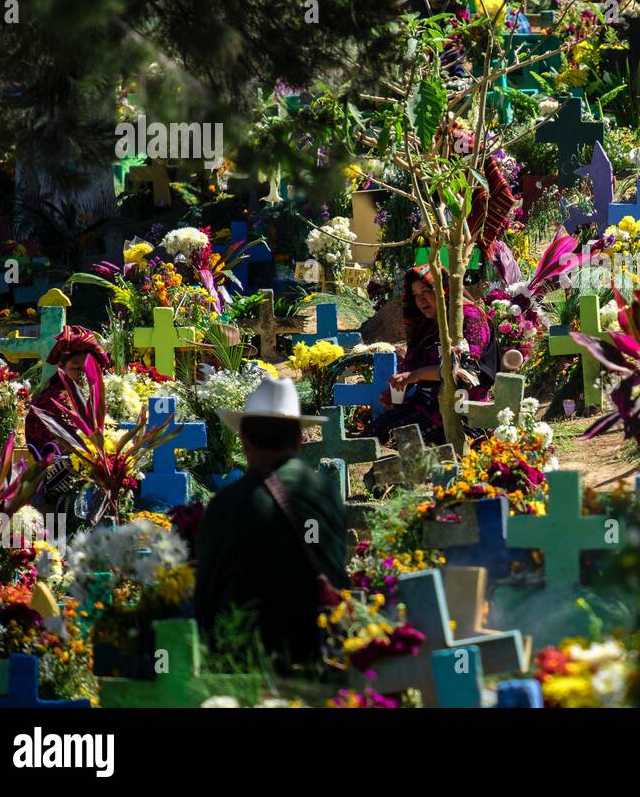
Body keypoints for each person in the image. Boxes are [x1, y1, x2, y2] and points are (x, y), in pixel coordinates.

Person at [196, 376, 346, 667]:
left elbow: (206, 599)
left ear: (244, 440)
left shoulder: (225, 505)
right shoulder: (325, 492)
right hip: (317, 653)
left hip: (245, 661)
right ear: (300, 441)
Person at [365, 265, 493, 446]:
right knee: (374, 434)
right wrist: (401, 390)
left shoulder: (468, 317)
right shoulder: (428, 324)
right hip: (427, 406)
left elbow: (465, 371)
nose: (421, 299)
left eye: (427, 291)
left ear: (444, 289)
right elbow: (417, 367)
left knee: (396, 441)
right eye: (416, 295)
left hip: (459, 410)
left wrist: (414, 376)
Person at [24, 326, 111, 457]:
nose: (83, 375)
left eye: (89, 369)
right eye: (76, 369)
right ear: (61, 368)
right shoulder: (51, 400)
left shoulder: (103, 396)